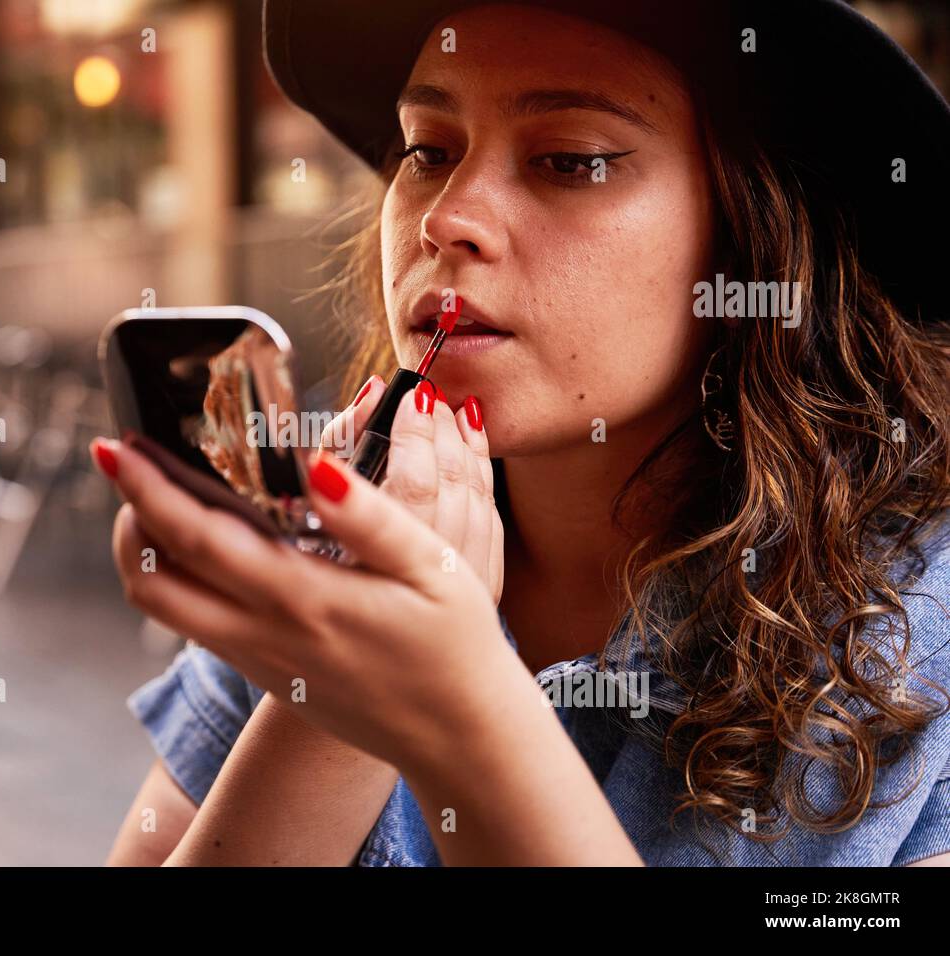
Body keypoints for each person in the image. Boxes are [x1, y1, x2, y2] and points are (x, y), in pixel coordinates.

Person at [96, 0, 950, 865]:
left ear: (753, 238)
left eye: (568, 161)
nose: (445, 217)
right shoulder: (324, 545)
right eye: (428, 150)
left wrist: (453, 707)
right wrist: (334, 693)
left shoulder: (928, 634)